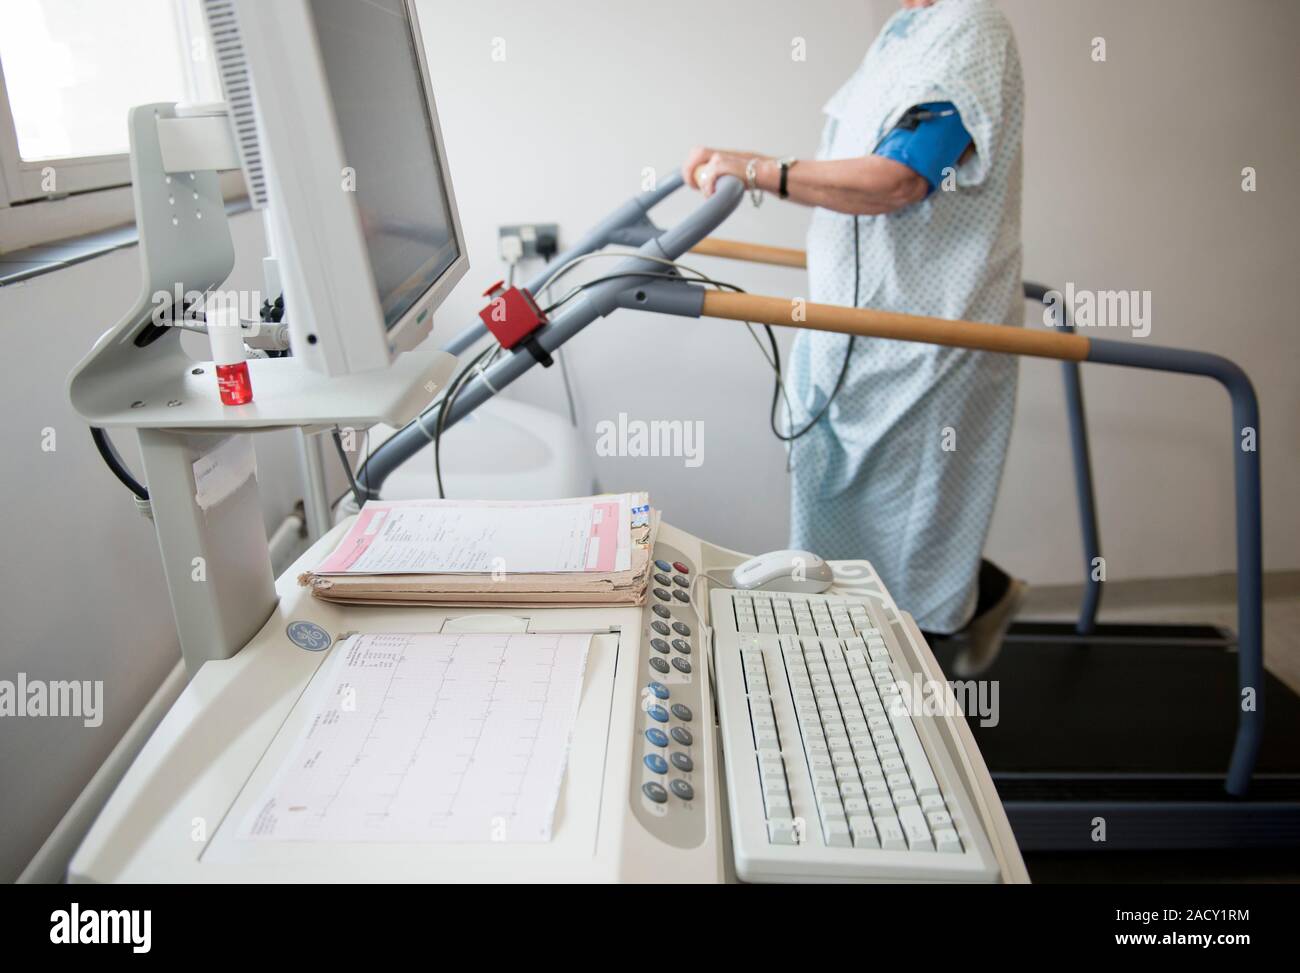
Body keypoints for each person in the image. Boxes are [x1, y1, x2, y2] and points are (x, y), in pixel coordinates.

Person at [682, 0, 1026, 674]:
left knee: (911, 535)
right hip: (853, 332)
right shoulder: (902, 37)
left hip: (925, 340)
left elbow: (900, 179)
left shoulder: (970, 28)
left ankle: (913, 698)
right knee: (849, 520)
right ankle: (944, 622)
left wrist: (756, 169)